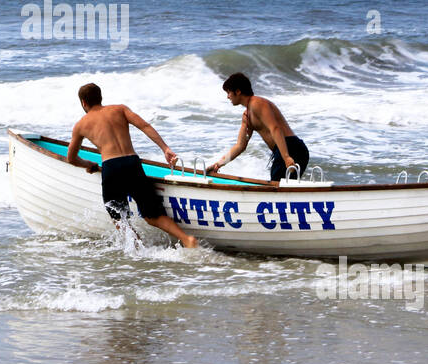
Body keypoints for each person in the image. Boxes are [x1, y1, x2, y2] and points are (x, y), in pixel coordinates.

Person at [66, 83, 197, 248]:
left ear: (84, 103)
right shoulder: (120, 109)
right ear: (101, 98)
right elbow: (145, 126)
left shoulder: (81, 125)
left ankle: (138, 249)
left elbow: (71, 158)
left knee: (119, 217)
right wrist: (165, 148)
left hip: (111, 167)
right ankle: (186, 239)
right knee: (152, 215)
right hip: (132, 163)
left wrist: (89, 164)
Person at [205, 72, 310, 182]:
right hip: (282, 150)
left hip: (291, 147)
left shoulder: (257, 103)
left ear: (238, 91)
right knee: (281, 186)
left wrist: (286, 157)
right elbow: (240, 146)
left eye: (228, 92)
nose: (227, 97)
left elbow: (275, 128)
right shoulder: (247, 116)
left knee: (277, 187)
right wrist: (218, 164)